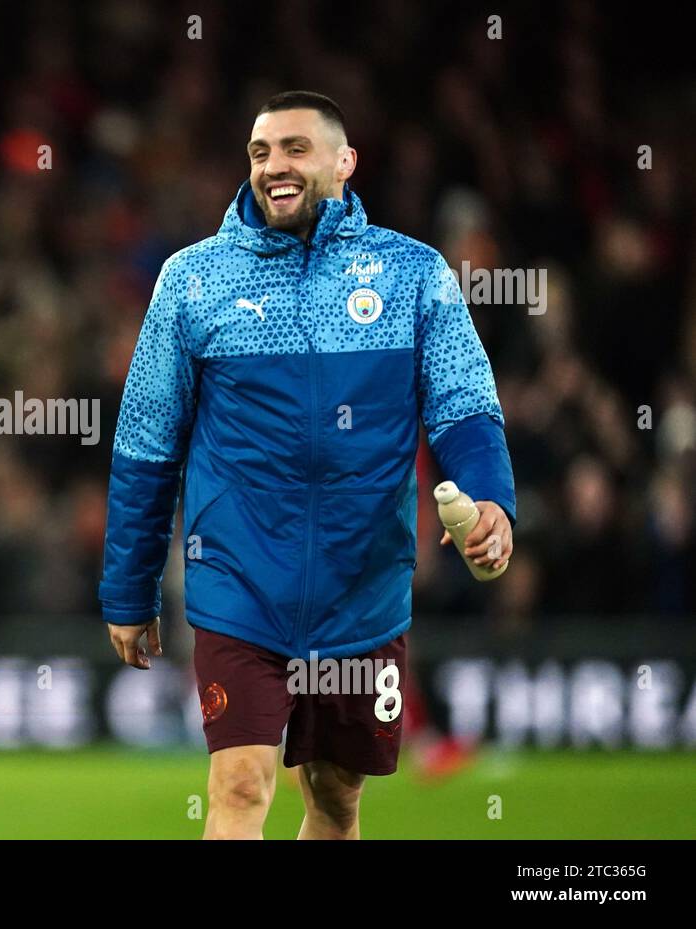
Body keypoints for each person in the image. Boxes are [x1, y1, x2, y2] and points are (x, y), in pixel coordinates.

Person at [99, 91, 516, 839]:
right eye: (260, 153)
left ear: (343, 161)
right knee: (238, 785)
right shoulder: (194, 280)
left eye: (294, 148)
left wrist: (489, 498)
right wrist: (128, 587)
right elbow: (145, 443)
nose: (274, 167)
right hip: (240, 581)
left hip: (362, 587)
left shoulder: (412, 275)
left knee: (335, 798)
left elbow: (464, 405)